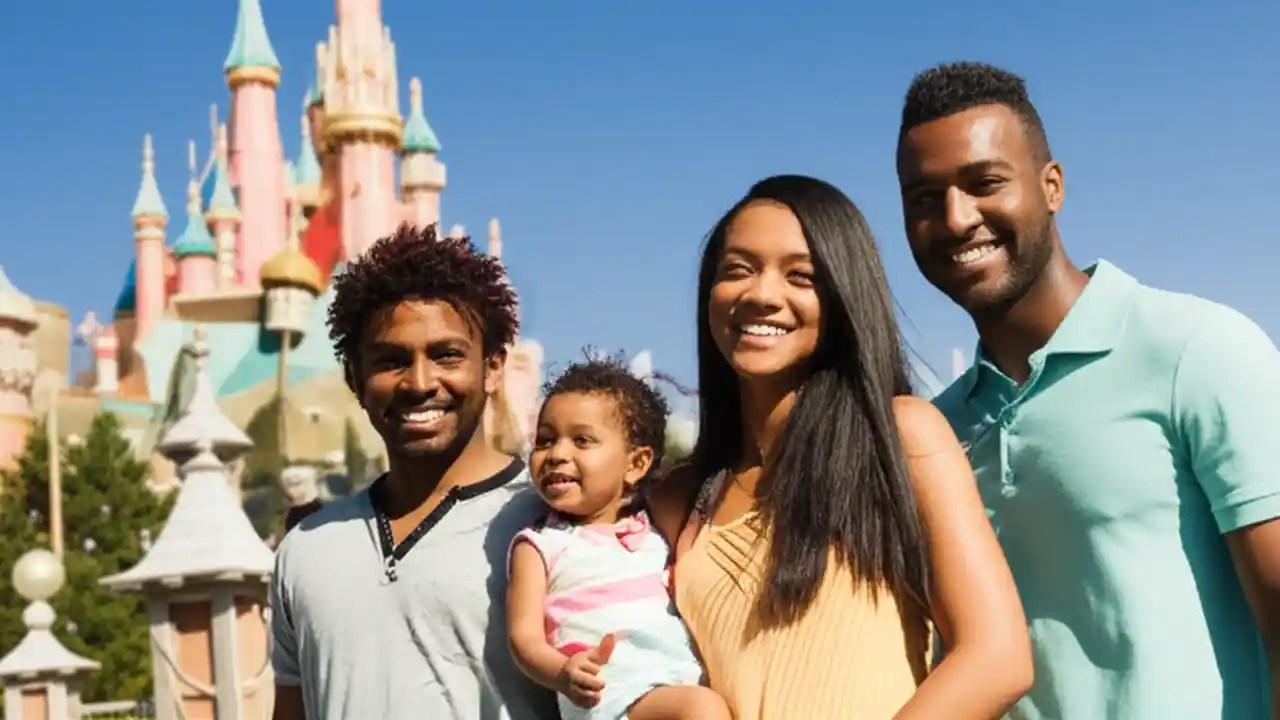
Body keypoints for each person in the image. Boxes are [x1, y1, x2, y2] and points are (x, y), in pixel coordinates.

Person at [896, 61, 1280, 719]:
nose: (957, 219)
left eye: (985, 183)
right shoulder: (936, 429)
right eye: (924, 198)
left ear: (1052, 187)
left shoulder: (1196, 348)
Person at [649, 174, 1033, 719]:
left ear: (842, 297)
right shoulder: (679, 498)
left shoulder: (900, 437)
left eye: (800, 276)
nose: (761, 294)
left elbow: (996, 657)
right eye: (737, 269)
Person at [268, 225, 559, 719]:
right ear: (355, 380)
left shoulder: (547, 525)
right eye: (391, 361)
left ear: (492, 367)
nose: (420, 382)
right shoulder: (306, 549)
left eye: (446, 355)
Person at [507, 357, 730, 720]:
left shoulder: (653, 530)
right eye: (545, 440)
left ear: (636, 465)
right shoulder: (539, 544)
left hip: (671, 685)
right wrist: (563, 673)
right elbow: (524, 639)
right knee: (703, 710)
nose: (557, 454)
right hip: (611, 698)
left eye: (582, 440)